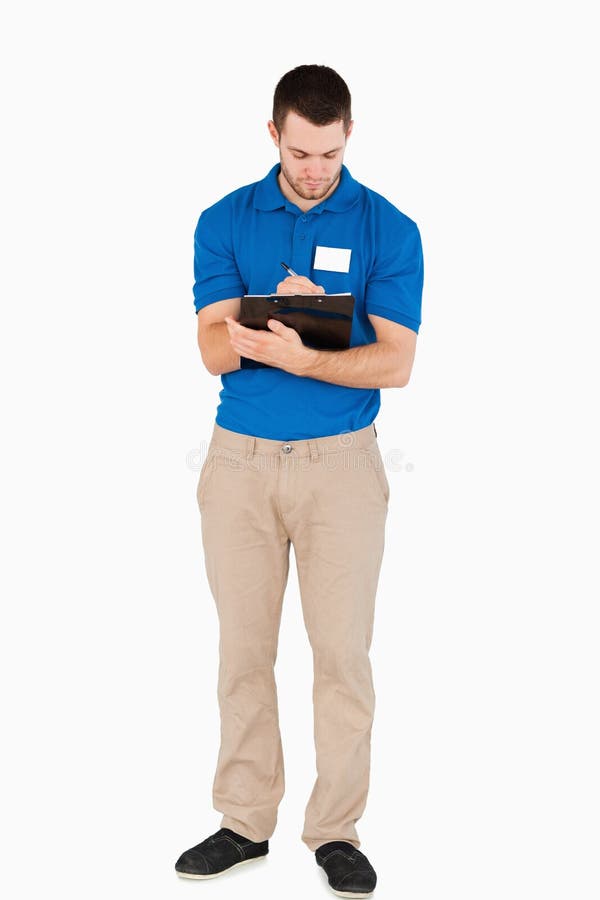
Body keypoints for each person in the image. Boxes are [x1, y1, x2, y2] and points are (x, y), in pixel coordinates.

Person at [175, 64, 424, 898]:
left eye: (329, 153)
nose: (315, 169)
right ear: (273, 135)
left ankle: (336, 832)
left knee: (342, 657)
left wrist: (311, 348)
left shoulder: (390, 228)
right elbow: (211, 349)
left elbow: (397, 362)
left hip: (342, 468)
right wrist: (276, 322)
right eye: (300, 151)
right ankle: (245, 822)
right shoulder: (224, 219)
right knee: (243, 653)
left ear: (349, 135)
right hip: (239, 462)